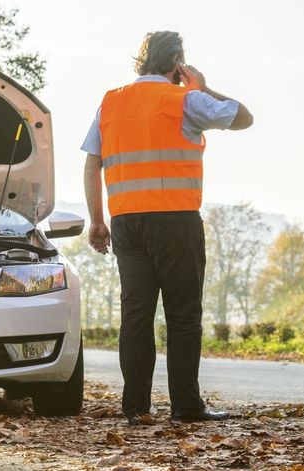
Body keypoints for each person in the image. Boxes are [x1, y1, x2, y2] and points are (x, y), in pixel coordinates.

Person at [81, 30, 253, 425]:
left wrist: (97, 220)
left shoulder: (111, 102)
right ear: (177, 63)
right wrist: (205, 87)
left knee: (137, 315)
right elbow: (244, 117)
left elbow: (93, 163)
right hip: (175, 221)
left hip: (125, 222)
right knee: (182, 315)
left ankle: (136, 408)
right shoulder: (186, 99)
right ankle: (186, 408)